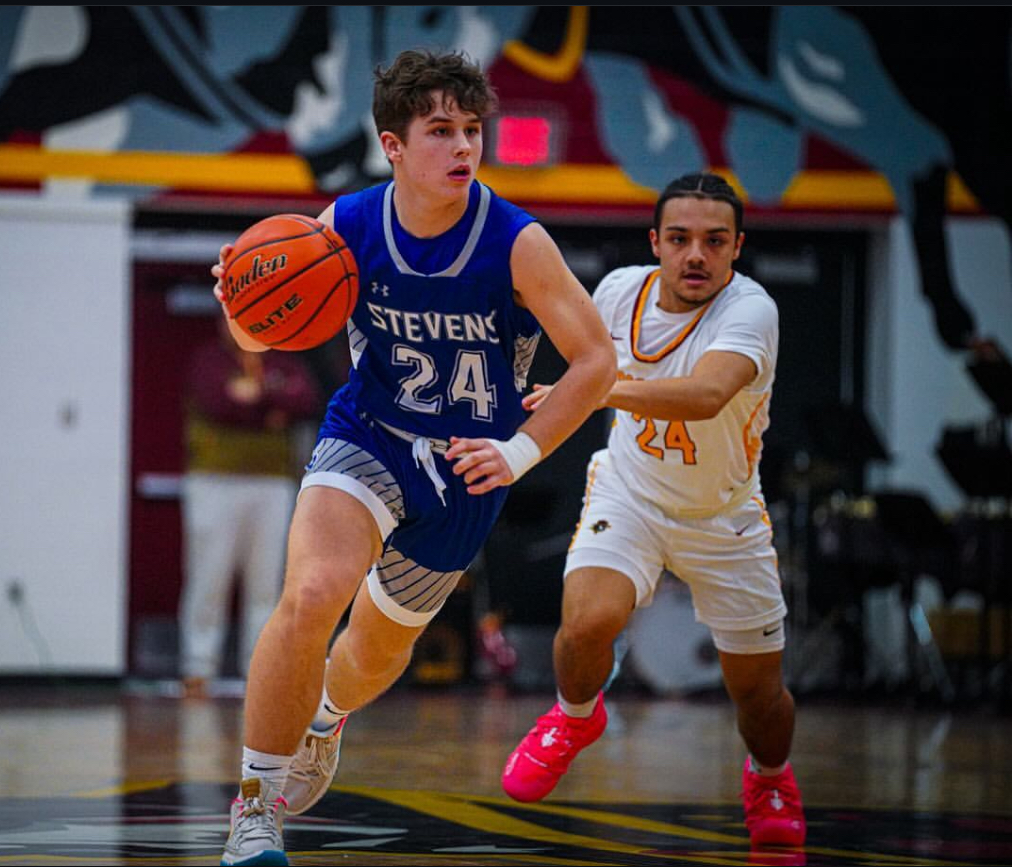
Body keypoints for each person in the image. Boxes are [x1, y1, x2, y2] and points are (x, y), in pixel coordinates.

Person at [212, 49, 616, 866]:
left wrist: (520, 451)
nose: (463, 146)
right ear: (393, 146)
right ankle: (254, 806)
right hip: (371, 432)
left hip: (470, 465)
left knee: (372, 653)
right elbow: (260, 329)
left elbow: (597, 362)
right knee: (313, 592)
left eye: (472, 129)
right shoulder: (350, 225)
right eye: (440, 131)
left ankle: (325, 717)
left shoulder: (515, 241)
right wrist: (240, 302)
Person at [500, 172, 806, 849]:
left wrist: (600, 388)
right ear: (656, 243)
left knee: (758, 696)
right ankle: (575, 715)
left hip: (723, 512)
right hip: (631, 493)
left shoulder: (750, 310)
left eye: (713, 240)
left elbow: (704, 395)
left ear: (736, 248)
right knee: (585, 624)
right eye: (680, 239)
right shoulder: (616, 292)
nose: (696, 254)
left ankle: (772, 776)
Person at [178, 318, 318, 699]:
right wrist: (271, 404)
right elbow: (218, 401)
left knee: (267, 580)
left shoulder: (284, 359)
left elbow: (305, 400)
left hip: (272, 482)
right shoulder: (209, 359)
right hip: (215, 481)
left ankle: (260, 670)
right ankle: (197, 668)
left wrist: (256, 394)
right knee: (209, 574)